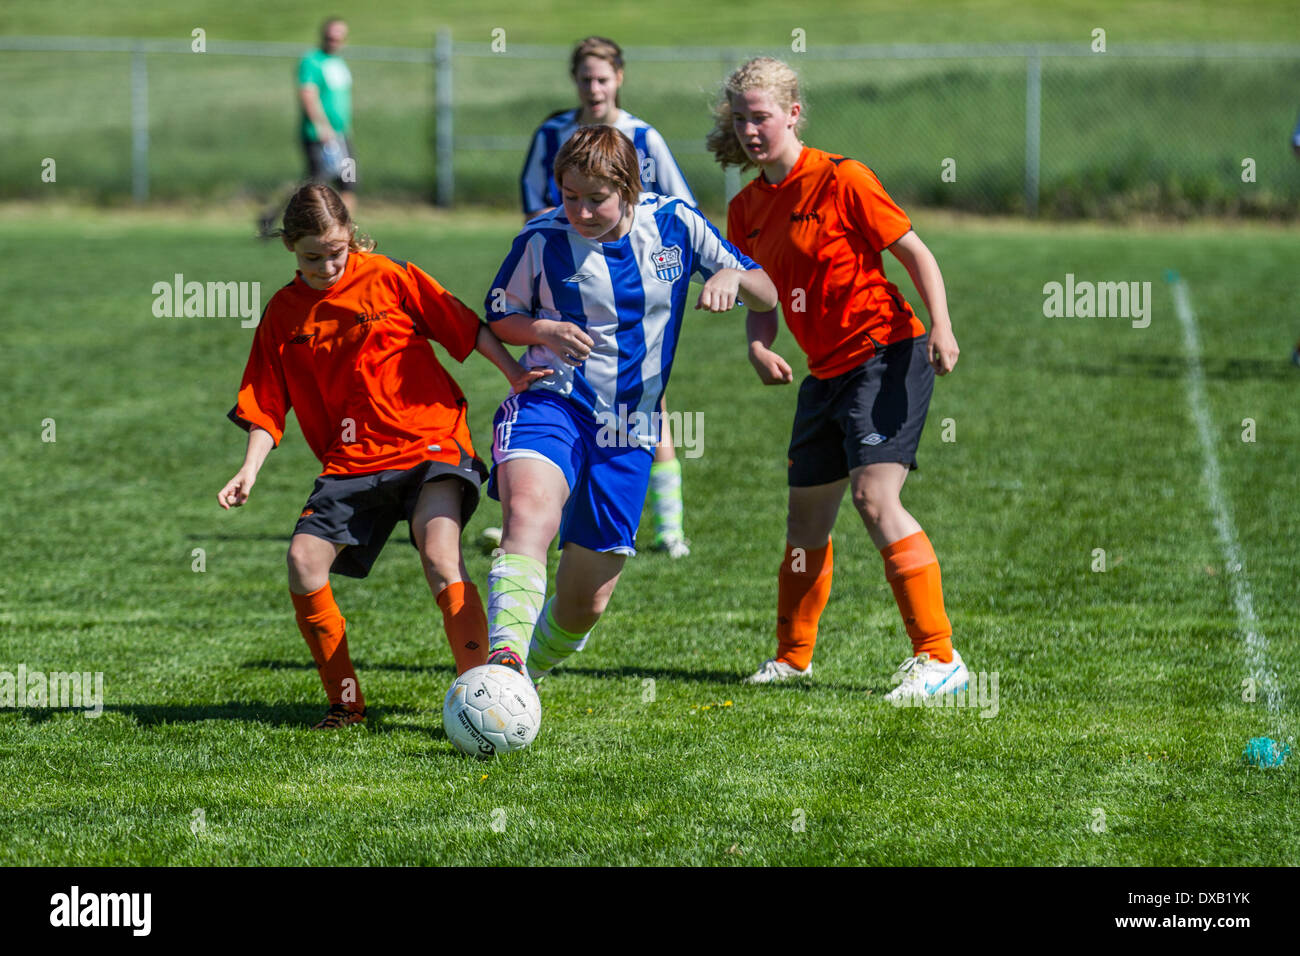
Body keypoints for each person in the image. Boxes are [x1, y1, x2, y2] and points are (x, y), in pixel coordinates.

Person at [218, 184, 543, 729]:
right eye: (311, 257)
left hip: (429, 441)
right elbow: (265, 403)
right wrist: (249, 468)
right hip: (351, 462)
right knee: (302, 562)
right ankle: (346, 703)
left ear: (351, 237)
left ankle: (489, 692)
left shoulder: (390, 276)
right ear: (290, 249)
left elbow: (461, 325)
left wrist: (512, 373)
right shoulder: (283, 314)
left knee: (440, 554)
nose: (326, 266)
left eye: (336, 252)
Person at [708, 57, 969, 701]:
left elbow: (916, 251)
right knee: (804, 525)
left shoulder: (842, 179)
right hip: (825, 375)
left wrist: (942, 325)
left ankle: (940, 659)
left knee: (875, 500)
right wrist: (758, 346)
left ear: (793, 113)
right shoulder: (745, 209)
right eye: (740, 119)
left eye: (761, 117)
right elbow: (761, 291)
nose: (750, 130)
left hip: (887, 353)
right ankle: (793, 658)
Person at [482, 125, 777, 682]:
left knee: (583, 606)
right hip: (553, 401)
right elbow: (500, 314)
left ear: (630, 188)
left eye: (596, 199)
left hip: (631, 427)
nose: (581, 211)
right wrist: (542, 326)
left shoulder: (675, 224)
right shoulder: (541, 238)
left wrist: (734, 275)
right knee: (528, 515)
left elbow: (768, 289)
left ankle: (521, 679)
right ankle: (502, 662)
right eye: (570, 197)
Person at [519, 36, 696, 556]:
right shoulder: (553, 132)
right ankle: (549, 516)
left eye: (603, 78)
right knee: (560, 394)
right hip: (565, 284)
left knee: (646, 401)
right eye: (584, 79)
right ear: (573, 81)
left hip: (631, 285)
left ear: (620, 77)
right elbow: (533, 202)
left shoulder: (643, 136)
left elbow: (681, 209)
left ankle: (669, 528)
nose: (594, 88)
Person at [298, 18, 357, 211]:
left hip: (341, 134)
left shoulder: (339, 63)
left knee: (349, 181)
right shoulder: (312, 61)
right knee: (317, 186)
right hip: (320, 135)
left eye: (338, 38)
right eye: (330, 37)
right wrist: (322, 126)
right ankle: (283, 217)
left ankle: (347, 236)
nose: (334, 41)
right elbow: (308, 94)